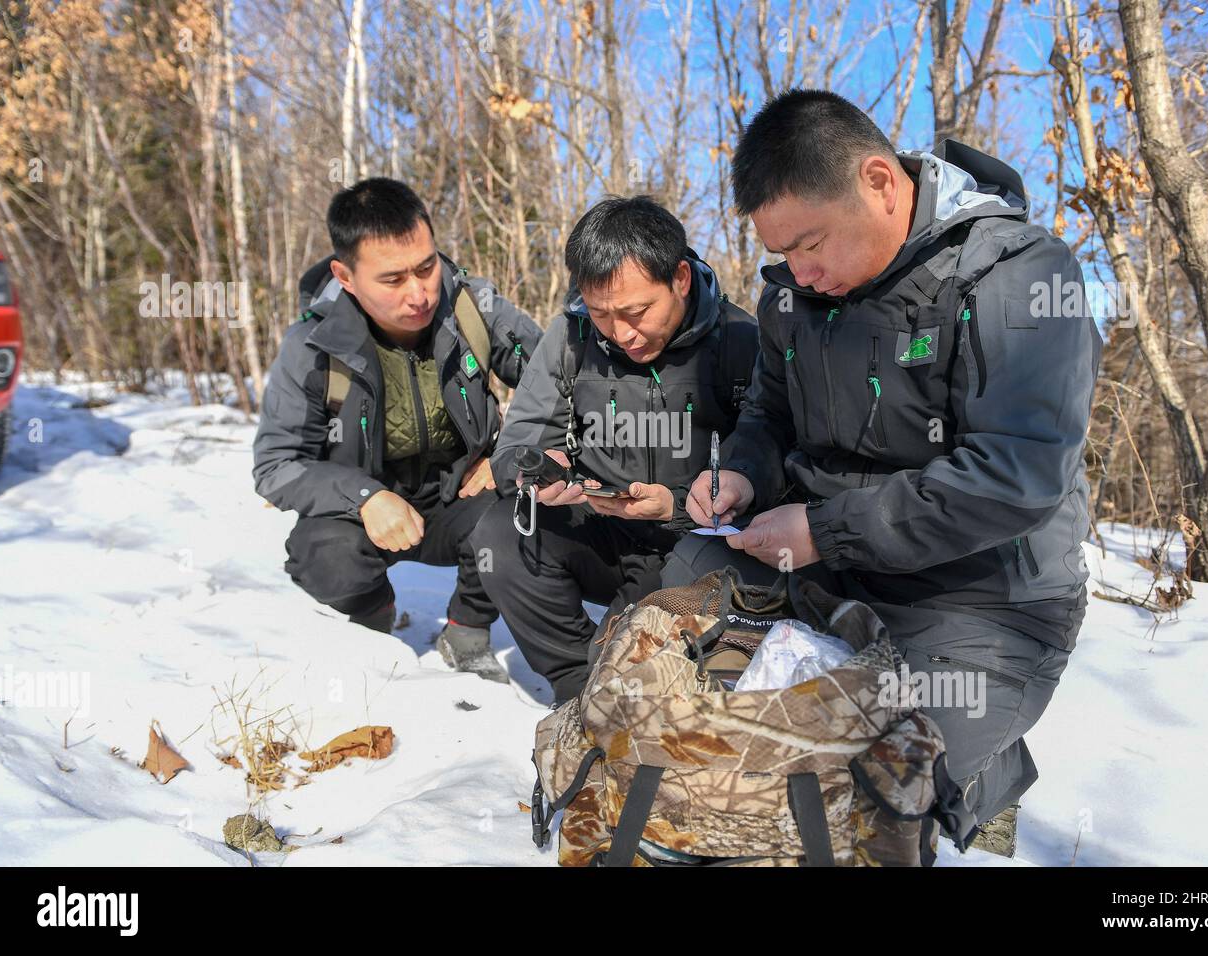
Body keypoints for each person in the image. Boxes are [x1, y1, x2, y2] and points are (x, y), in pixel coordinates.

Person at [666, 89, 1103, 856]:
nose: (799, 273)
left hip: (983, 596)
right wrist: (740, 472)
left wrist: (826, 531)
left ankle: (976, 767)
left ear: (877, 180)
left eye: (812, 244)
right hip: (835, 565)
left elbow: (1017, 474)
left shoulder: (1020, 274)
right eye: (782, 253)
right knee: (681, 647)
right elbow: (770, 413)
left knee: (862, 794)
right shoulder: (794, 297)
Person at [469, 196, 758, 704]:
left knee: (640, 643)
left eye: (638, 311)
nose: (623, 333)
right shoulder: (570, 337)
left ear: (681, 279)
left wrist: (675, 504)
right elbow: (518, 443)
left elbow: (768, 465)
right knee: (498, 535)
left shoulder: (741, 341)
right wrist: (539, 472)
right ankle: (576, 687)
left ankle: (621, 671)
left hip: (693, 539)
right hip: (598, 523)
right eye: (602, 313)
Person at [253, 177, 542, 682]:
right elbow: (276, 466)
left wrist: (508, 456)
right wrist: (364, 496)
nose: (419, 293)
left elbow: (554, 382)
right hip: (364, 507)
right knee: (325, 558)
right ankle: (373, 621)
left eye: (427, 267)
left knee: (523, 515)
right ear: (345, 275)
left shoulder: (473, 307)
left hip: (460, 495)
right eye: (392, 280)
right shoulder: (312, 344)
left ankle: (468, 629)